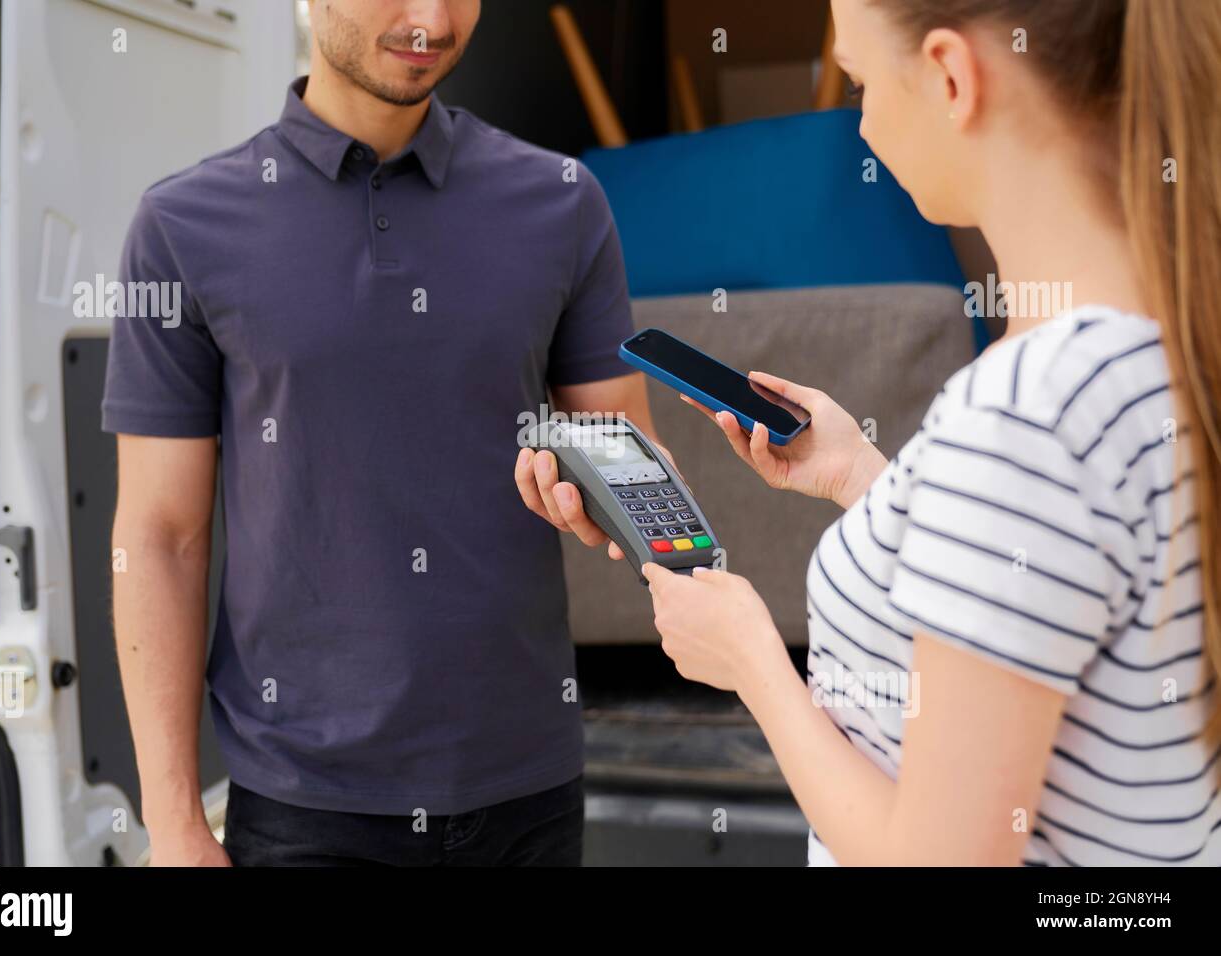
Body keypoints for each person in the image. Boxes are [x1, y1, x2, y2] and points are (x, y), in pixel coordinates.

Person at [520, 0, 1220, 865]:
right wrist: (872, 483)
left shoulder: (1020, 411)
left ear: (952, 77)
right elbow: (1056, 587)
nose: (862, 123)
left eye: (860, 83)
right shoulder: (1165, 341)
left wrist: (753, 665)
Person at [104, 0, 659, 866]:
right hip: (304, 807)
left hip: (527, 790)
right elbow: (160, 536)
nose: (431, 19)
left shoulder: (561, 203)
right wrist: (173, 821)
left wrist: (627, 498)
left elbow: (625, 461)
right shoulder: (183, 226)